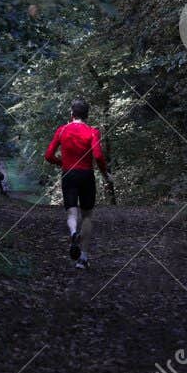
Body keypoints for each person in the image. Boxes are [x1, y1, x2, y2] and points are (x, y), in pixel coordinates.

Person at [44, 99, 112, 270]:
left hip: (69, 174)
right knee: (88, 215)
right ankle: (83, 257)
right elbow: (97, 156)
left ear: (71, 113)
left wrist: (63, 163)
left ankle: (73, 232)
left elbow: (48, 155)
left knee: (71, 212)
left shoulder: (62, 130)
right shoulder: (92, 131)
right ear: (87, 115)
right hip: (86, 175)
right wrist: (105, 174)